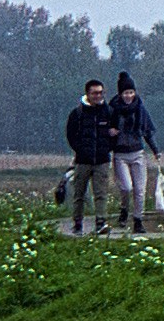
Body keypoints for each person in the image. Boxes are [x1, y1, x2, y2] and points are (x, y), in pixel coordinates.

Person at [61, 79, 120, 236]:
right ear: (88, 94)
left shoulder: (109, 112)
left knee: (101, 193)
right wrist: (80, 150)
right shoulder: (77, 114)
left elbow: (115, 132)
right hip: (82, 161)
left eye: (100, 93)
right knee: (78, 194)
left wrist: (108, 147)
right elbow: (70, 135)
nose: (98, 96)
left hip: (102, 160)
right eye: (95, 93)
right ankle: (77, 224)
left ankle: (101, 222)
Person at [108, 71, 158, 233]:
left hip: (138, 152)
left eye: (131, 92)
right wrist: (110, 131)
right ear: (120, 94)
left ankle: (138, 220)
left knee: (139, 189)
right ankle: (124, 209)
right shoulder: (113, 109)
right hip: (120, 154)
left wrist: (155, 150)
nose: (128, 96)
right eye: (125, 93)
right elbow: (105, 127)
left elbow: (147, 132)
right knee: (126, 187)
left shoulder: (140, 109)